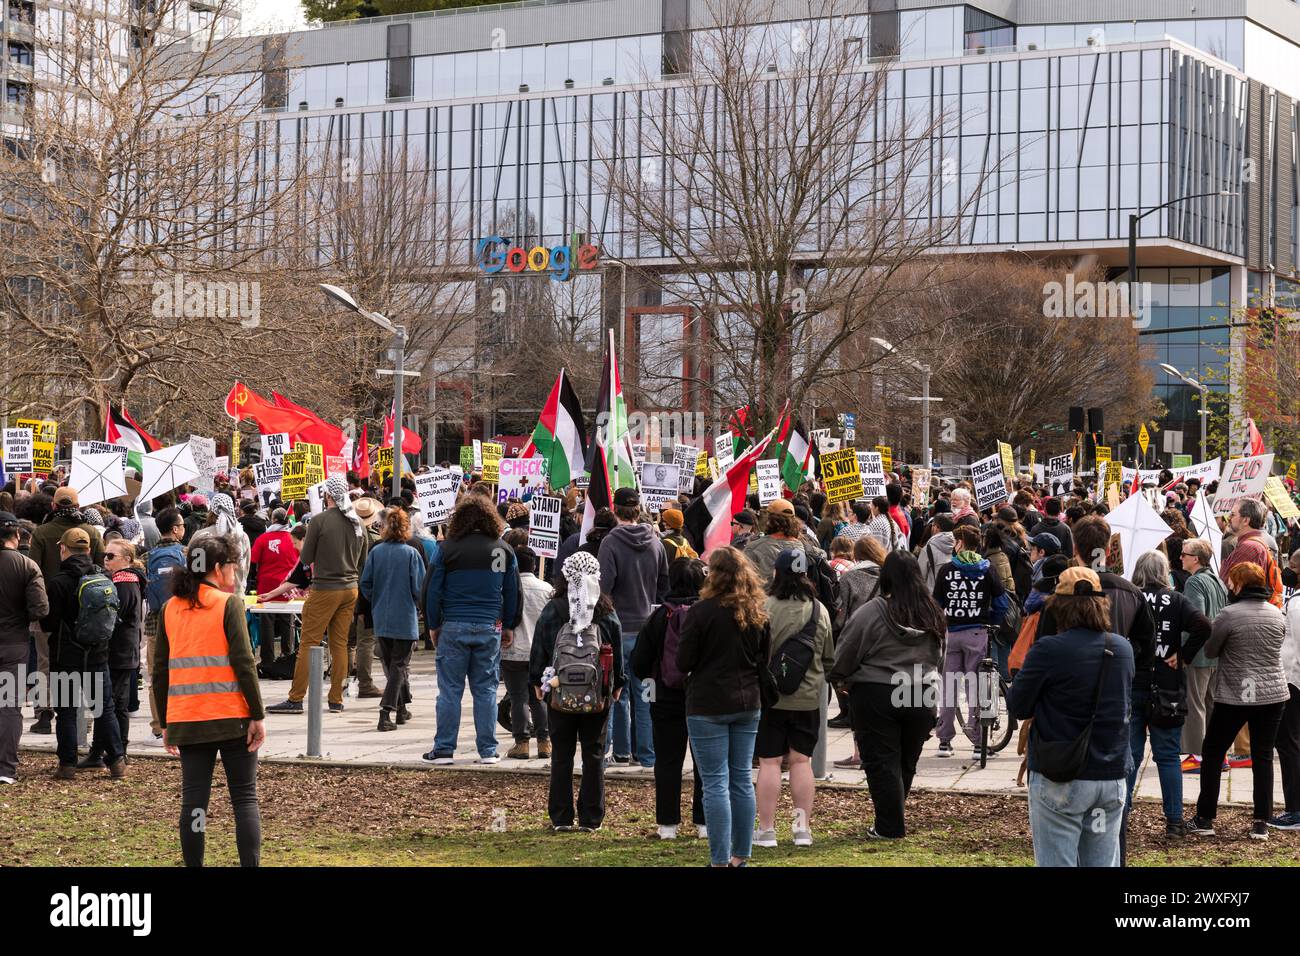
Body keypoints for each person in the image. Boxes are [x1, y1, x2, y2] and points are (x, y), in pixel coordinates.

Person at [153, 534, 265, 866]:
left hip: (187, 719)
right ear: (218, 568)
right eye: (233, 565)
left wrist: (164, 722)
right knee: (244, 798)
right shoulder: (227, 604)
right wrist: (257, 714)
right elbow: (244, 662)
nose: (236, 571)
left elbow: (160, 670)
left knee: (195, 803)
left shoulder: (169, 609)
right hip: (232, 717)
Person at [1011, 567, 1135, 867]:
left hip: (1061, 773)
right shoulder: (1121, 648)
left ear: (1059, 607)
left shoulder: (1049, 650)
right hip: (1110, 772)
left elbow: (1018, 706)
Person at [830, 551, 945, 838]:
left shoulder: (873, 611)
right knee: (906, 761)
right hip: (920, 691)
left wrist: (840, 676)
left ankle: (889, 825)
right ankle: (892, 817)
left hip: (878, 690)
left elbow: (847, 648)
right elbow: (940, 654)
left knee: (881, 761)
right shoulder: (933, 612)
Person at [678, 546, 770, 867]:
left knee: (715, 782)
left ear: (713, 575)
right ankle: (740, 856)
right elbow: (764, 658)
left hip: (708, 704)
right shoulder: (756, 611)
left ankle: (719, 859)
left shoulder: (701, 613)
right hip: (747, 700)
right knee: (741, 779)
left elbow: (683, 660)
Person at [1188, 562, 1289, 841]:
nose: (1229, 586)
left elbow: (1211, 648)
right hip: (1272, 693)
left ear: (1240, 584)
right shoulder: (1277, 613)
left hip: (1235, 693)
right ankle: (1261, 823)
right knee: (1263, 755)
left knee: (1213, 751)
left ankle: (1205, 817)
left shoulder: (1228, 614)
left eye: (1232, 582)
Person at [529, 551, 624, 831]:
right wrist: (617, 684)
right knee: (594, 754)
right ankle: (591, 817)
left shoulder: (554, 608)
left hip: (559, 692)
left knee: (561, 754)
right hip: (597, 694)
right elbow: (616, 651)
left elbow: (540, 646)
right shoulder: (606, 611)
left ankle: (561, 817)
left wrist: (538, 682)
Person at [420, 494, 518, 764]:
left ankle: (444, 749)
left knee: (450, 690)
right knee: (485, 689)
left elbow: (432, 590)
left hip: (453, 625)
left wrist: (433, 624)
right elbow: (511, 591)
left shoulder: (448, 549)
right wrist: (509, 624)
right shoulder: (502, 549)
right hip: (489, 626)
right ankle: (488, 750)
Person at [1126, 551, 1211, 843]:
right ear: (1165, 572)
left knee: (1130, 756)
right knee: (1168, 757)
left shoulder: (1131, 598)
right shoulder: (1176, 600)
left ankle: (1120, 817)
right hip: (1167, 687)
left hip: (1135, 683)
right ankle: (1174, 822)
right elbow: (1204, 626)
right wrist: (1183, 655)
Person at [267, 476, 369, 715]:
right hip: (350, 588)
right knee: (339, 644)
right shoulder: (359, 524)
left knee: (308, 643)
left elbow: (306, 558)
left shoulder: (320, 521)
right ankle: (336, 698)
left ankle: (296, 698)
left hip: (325, 588)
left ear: (328, 495)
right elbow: (363, 561)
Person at [754, 549, 834, 849]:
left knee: (769, 762)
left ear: (777, 573)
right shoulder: (818, 610)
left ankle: (766, 830)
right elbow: (828, 658)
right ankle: (802, 829)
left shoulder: (763, 607)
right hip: (808, 697)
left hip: (770, 698)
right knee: (802, 761)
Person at [631, 556, 707, 839]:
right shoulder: (709, 613)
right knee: (705, 763)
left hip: (664, 697)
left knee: (667, 760)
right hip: (703, 698)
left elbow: (639, 660)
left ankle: (667, 825)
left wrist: (652, 679)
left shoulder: (659, 616)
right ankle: (704, 823)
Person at [44, 528, 126, 779]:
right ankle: (117, 762)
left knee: (67, 710)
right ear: (89, 550)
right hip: (98, 654)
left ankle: (67, 764)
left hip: (66, 656)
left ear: (63, 549)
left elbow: (49, 623)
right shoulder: (102, 577)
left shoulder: (58, 582)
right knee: (104, 708)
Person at [599, 487, 668, 768]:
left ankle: (620, 751)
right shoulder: (657, 543)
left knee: (616, 691)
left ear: (615, 510)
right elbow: (664, 586)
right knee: (644, 694)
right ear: (638, 510)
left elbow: (603, 588)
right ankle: (647, 754)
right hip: (647, 629)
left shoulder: (610, 543)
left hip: (617, 627)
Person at [28, 487, 105, 734]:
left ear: (53, 506)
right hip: (86, 606)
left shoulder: (42, 533)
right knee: (83, 660)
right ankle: (84, 711)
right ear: (78, 505)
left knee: (44, 661)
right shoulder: (91, 532)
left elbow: (34, 571)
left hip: (50, 605)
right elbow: (102, 567)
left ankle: (44, 713)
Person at [933, 523, 1007, 758]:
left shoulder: (946, 571)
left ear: (960, 543)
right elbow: (1002, 603)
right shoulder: (987, 569)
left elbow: (937, 605)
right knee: (975, 687)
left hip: (952, 633)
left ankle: (944, 740)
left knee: (949, 686)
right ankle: (978, 742)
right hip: (978, 632)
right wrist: (991, 620)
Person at [78, 540, 146, 768]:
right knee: (109, 703)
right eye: (105, 555)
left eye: (111, 555)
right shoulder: (126, 579)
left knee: (114, 705)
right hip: (124, 650)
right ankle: (100, 752)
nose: (105, 559)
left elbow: (115, 616)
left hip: (121, 651)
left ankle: (118, 752)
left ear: (126, 558)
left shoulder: (124, 582)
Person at [359, 508, 425, 732]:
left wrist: (376, 598)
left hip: (381, 615)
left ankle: (402, 707)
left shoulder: (376, 552)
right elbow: (419, 588)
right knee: (399, 665)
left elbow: (365, 583)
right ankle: (386, 711)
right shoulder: (410, 554)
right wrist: (419, 606)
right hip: (404, 615)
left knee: (391, 664)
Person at [0, 511, 47, 784]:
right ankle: (5, 768)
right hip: (14, 642)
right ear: (17, 535)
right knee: (8, 706)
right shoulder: (27, 566)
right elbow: (41, 608)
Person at [1179, 537, 1229, 771]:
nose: (1180, 557)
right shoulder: (1217, 580)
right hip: (1216, 651)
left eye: (1184, 554)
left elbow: (1196, 619)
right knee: (1211, 704)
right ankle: (1219, 754)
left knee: (1196, 703)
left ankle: (1197, 755)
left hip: (1199, 652)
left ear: (1196, 559)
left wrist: (1183, 651)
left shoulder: (1195, 582)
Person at [502, 546, 551, 758]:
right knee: (538, 697)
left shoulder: (507, 588)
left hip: (512, 651)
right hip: (538, 651)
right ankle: (544, 741)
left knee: (518, 697)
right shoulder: (546, 589)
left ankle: (522, 742)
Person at [247, 509, 298, 668]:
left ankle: (267, 659)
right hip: (287, 586)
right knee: (287, 621)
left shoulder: (263, 539)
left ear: (273, 519)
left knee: (266, 622)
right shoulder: (292, 538)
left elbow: (253, 560)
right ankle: (287, 656)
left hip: (266, 586)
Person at [1273, 558, 1300, 829]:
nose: (1286, 569)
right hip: (1291, 679)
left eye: (1291, 564)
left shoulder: (1297, 605)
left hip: (1293, 681)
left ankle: (1295, 809)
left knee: (1288, 743)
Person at [1221, 498, 1283, 607]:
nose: (1228, 519)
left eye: (1233, 515)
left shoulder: (1249, 547)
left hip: (1239, 613)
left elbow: (1231, 586)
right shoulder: (1251, 544)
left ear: (1245, 520)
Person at [190, 493, 251, 599]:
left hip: (206, 596)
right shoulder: (242, 536)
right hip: (235, 595)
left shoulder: (200, 535)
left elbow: (194, 568)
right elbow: (245, 567)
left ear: (211, 511)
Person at [917, 514, 956, 592]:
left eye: (933, 525)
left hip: (932, 595)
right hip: (950, 594)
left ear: (937, 527)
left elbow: (919, 576)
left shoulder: (929, 549)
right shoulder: (958, 546)